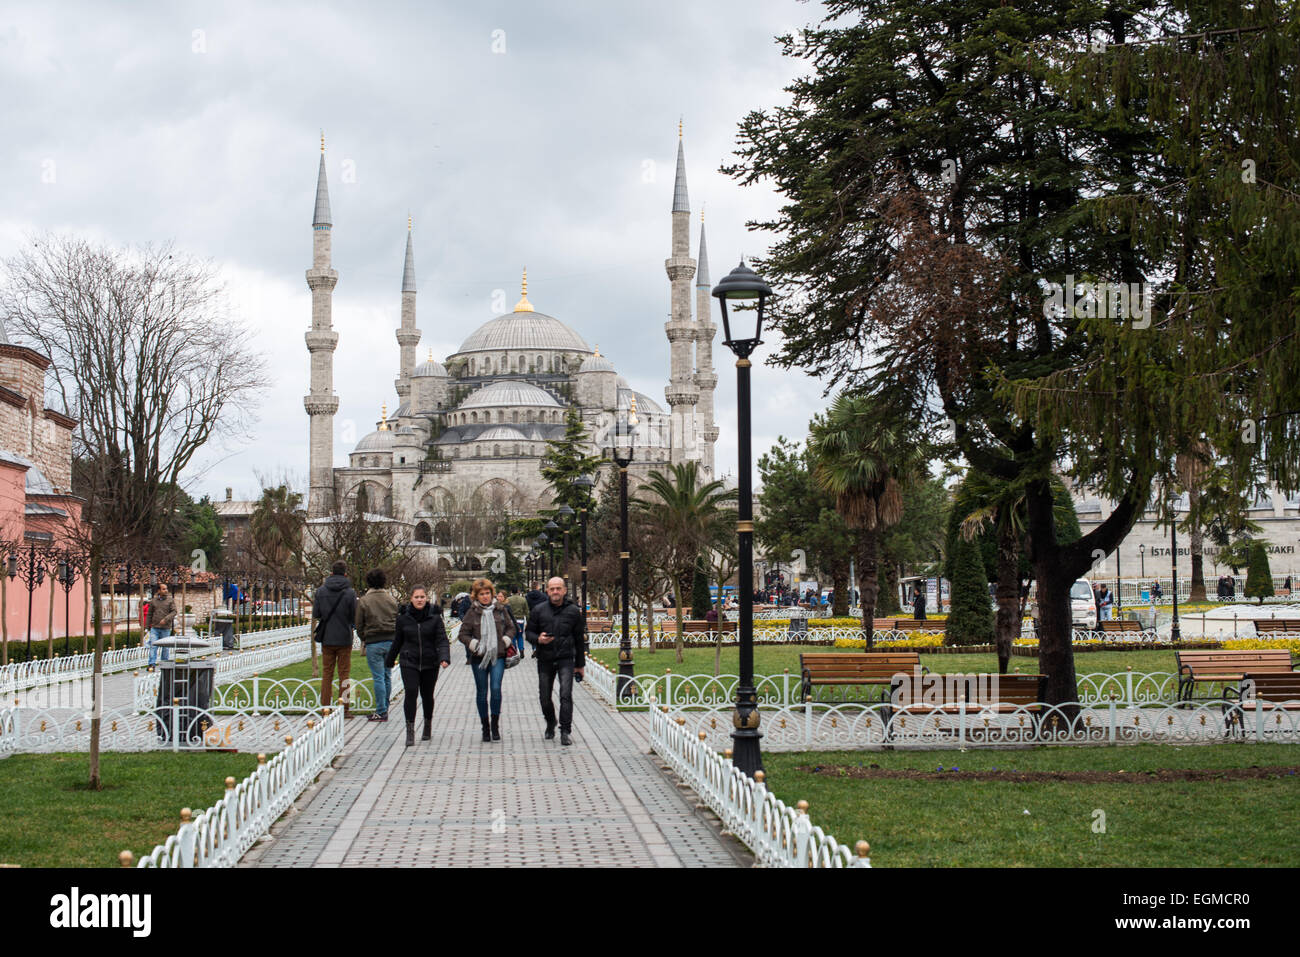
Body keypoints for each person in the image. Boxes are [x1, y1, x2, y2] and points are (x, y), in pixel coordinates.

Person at [385, 585, 450, 746]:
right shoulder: (403, 619)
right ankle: (410, 730)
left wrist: (444, 657)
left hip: (430, 662)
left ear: (426, 598)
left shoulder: (434, 617)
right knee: (411, 692)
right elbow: (398, 641)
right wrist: (389, 660)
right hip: (409, 661)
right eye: (416, 597)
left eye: (422, 597)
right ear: (411, 599)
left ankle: (427, 724)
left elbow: (442, 640)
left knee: (427, 695)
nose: (419, 600)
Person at [526, 576, 585, 746]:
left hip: (566, 658)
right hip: (545, 658)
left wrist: (580, 665)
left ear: (564, 590)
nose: (555, 592)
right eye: (552, 589)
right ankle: (550, 721)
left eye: (558, 588)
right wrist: (539, 639)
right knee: (545, 696)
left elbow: (579, 640)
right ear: (547, 591)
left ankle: (565, 730)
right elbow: (528, 633)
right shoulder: (539, 610)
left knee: (565, 694)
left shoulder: (573, 611)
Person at [459, 578, 518, 742]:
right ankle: (485, 726)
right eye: (481, 594)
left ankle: (495, 724)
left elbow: (511, 627)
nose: (485, 597)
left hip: (497, 655)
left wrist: (506, 640)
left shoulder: (500, 609)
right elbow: (462, 634)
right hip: (479, 657)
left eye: (487, 593)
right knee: (482, 692)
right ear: (476, 596)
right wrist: (472, 643)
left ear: (492, 593)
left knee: (496, 688)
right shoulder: (472, 612)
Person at [313, 561, 358, 713]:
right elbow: (354, 616)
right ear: (345, 574)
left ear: (331, 573)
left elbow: (316, 614)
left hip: (327, 637)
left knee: (327, 673)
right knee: (344, 673)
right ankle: (345, 708)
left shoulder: (320, 591)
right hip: (344, 637)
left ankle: (325, 707)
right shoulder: (350, 593)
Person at [355, 568, 398, 722]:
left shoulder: (364, 601)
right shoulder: (392, 599)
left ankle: (381, 711)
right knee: (387, 676)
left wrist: (364, 638)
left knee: (378, 677)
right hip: (391, 641)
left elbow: (359, 624)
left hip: (374, 641)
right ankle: (384, 708)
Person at [145, 583, 177, 668]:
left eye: (166, 589)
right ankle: (151, 664)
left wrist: (166, 619)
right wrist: (147, 627)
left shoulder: (170, 600)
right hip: (154, 628)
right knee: (153, 646)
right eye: (163, 589)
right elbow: (149, 614)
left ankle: (164, 663)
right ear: (158, 590)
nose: (166, 590)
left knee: (165, 647)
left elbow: (174, 612)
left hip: (165, 628)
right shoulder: (153, 601)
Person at [506, 589, 529, 655]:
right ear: (518, 591)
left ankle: (514, 650)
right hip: (520, 620)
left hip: (511, 620)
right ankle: (521, 649)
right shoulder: (523, 599)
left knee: (513, 637)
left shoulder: (508, 599)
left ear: (511, 592)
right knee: (520, 636)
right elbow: (526, 611)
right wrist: (527, 621)